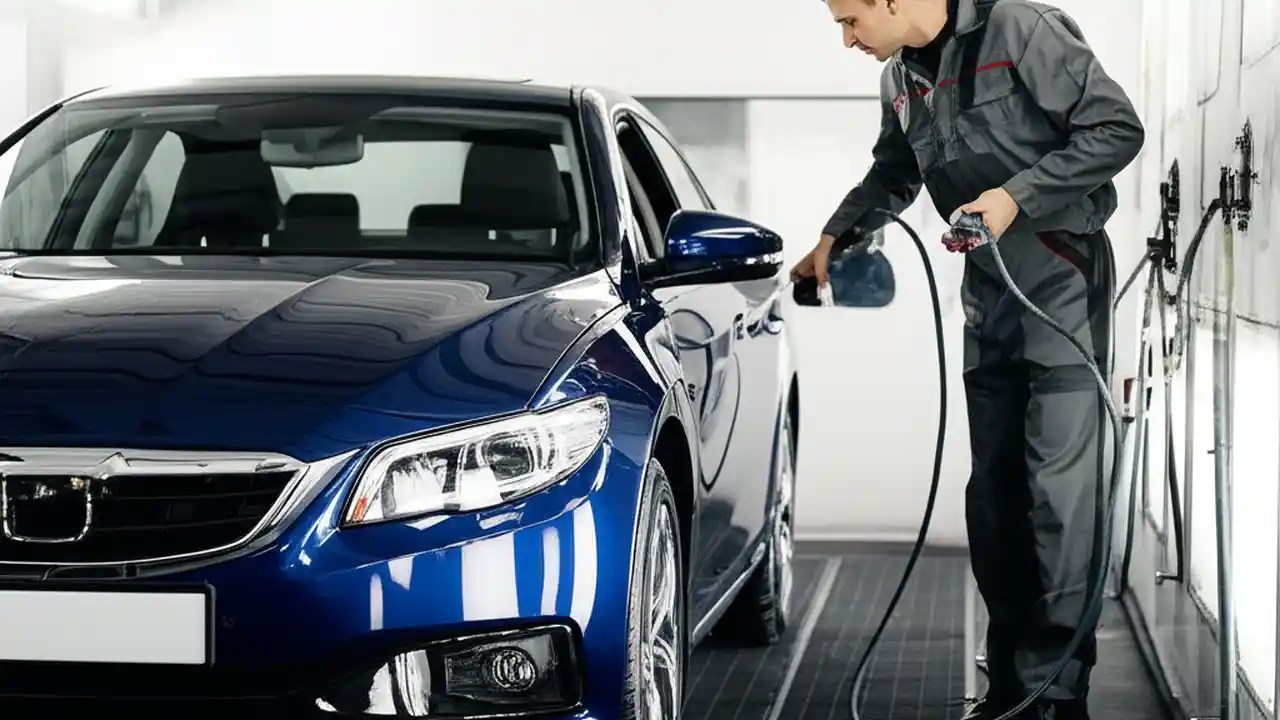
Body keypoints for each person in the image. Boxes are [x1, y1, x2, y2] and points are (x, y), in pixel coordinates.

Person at [790, 0, 1145, 718]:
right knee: (994, 500)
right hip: (988, 293)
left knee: (1059, 497)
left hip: (1059, 278)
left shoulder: (1021, 30)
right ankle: (1011, 684)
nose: (847, 40)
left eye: (851, 20)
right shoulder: (899, 77)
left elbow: (1116, 129)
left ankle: (1056, 693)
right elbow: (895, 172)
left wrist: (1017, 197)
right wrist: (836, 236)